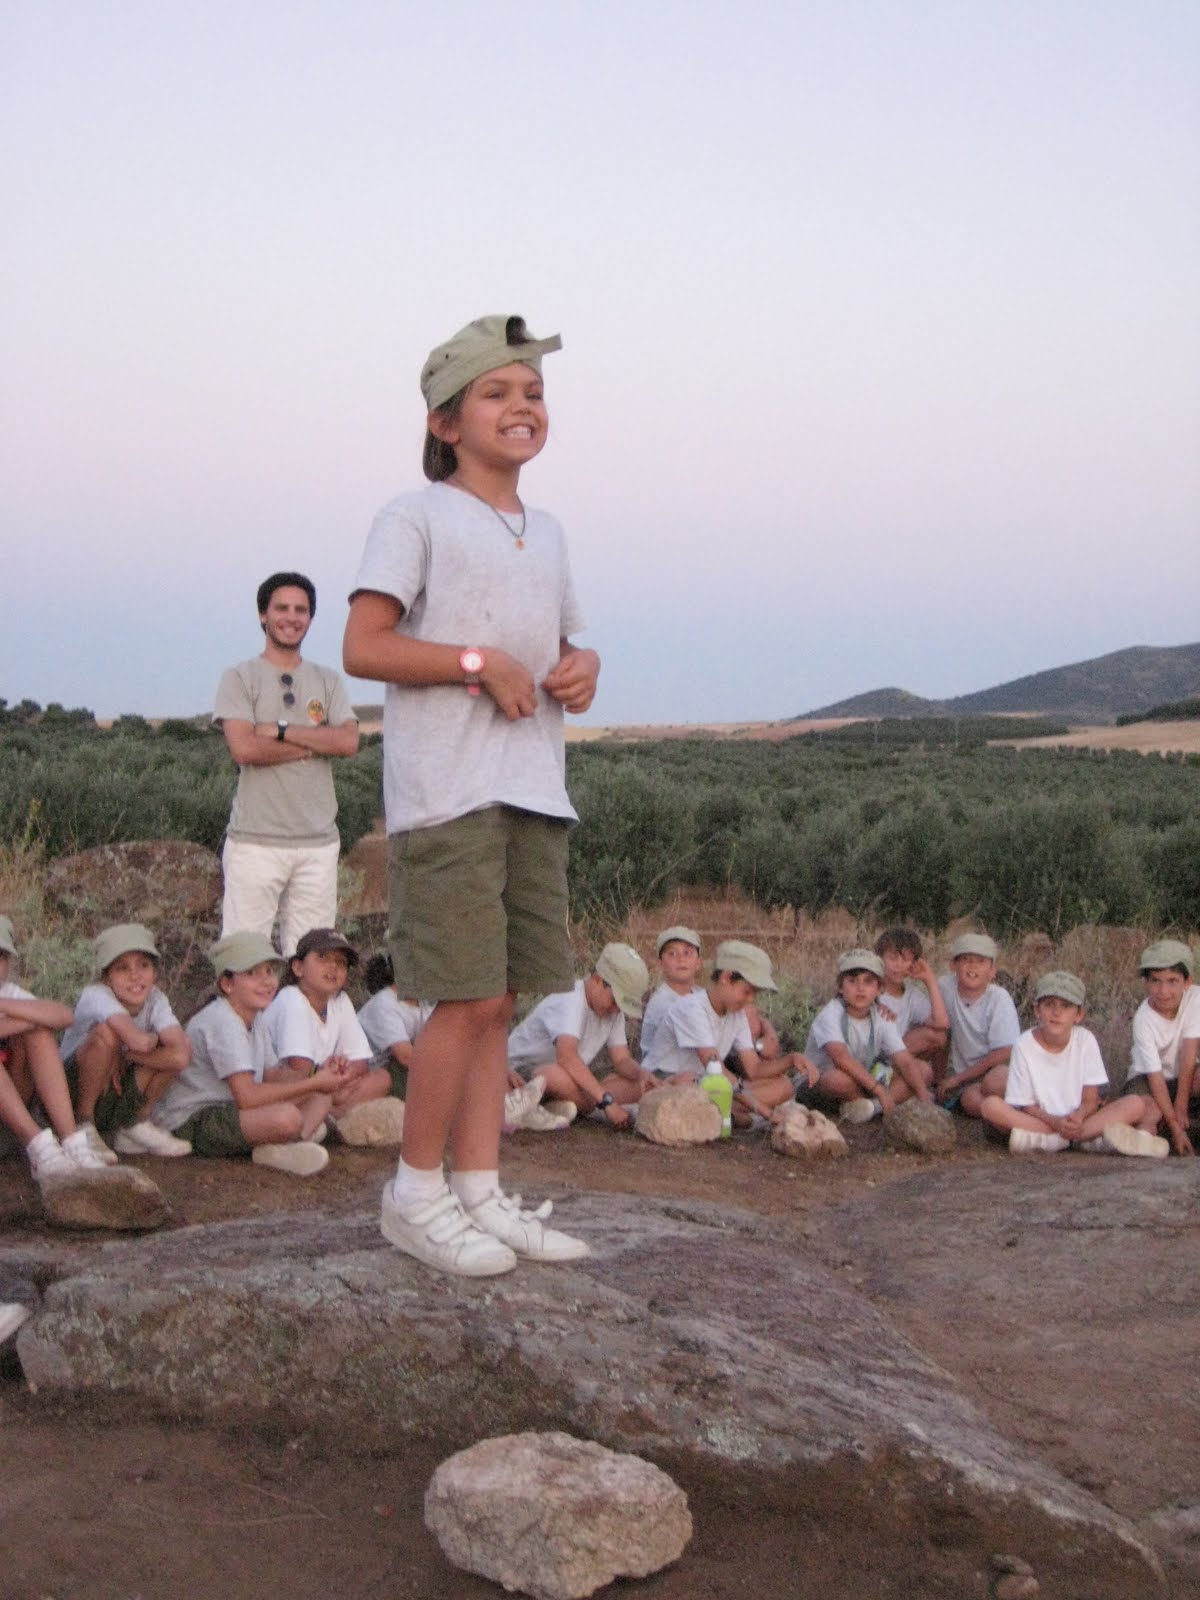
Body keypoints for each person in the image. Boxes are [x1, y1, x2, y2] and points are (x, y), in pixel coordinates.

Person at [343, 312, 599, 1275]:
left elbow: (564, 646)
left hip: (533, 788)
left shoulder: (551, 531)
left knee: (501, 1001)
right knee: (464, 997)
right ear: (447, 422)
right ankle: (414, 1196)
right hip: (447, 794)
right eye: (497, 392)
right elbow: (363, 646)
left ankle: (480, 1191)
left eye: (533, 391)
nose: (522, 405)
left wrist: (583, 668)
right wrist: (474, 662)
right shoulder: (413, 517)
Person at [215, 571, 360, 956]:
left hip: (318, 844)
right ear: (263, 615)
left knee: (312, 961)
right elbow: (245, 749)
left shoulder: (328, 680)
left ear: (310, 618)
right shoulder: (239, 677)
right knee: (244, 957)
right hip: (255, 843)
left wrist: (279, 730)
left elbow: (347, 741)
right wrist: (316, 742)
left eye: (301, 610)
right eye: (282, 608)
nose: (291, 617)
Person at [154, 931, 343, 1175]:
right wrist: (313, 1083)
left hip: (235, 1111)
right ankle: (285, 1141)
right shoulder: (223, 1021)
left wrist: (321, 1075)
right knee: (287, 1118)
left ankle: (279, 1146)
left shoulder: (255, 1015)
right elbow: (248, 1097)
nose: (267, 981)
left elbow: (274, 1074)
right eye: (252, 973)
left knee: (322, 1096)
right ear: (227, 984)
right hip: (195, 1119)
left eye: (269, 971)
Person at [980, 970, 1165, 1157]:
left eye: (1066, 1006)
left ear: (1079, 1014)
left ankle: (1057, 1140)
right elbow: (1027, 1106)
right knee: (990, 1106)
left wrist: (1079, 1116)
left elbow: (1090, 1100)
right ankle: (1080, 1140)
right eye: (1049, 1005)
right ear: (1037, 1010)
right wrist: (1056, 1123)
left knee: (1135, 1104)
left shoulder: (1085, 1040)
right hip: (1042, 1120)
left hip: (1081, 1121)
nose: (1057, 1012)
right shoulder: (1023, 1044)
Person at [61, 924, 193, 1157]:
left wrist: (124, 1055)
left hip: (114, 1089)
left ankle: (134, 1124)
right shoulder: (96, 995)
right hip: (72, 1091)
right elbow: (137, 1041)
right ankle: (83, 1123)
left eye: (144, 965)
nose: (135, 975)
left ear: (155, 973)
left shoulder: (156, 999)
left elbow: (180, 1052)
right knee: (106, 1034)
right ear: (106, 978)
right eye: (122, 968)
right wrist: (139, 1046)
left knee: (182, 1046)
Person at [642, 939, 813, 1117]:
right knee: (692, 1081)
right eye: (747, 991)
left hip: (707, 1083)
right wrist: (766, 1113)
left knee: (783, 1085)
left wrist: (791, 1060)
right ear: (726, 977)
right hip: (667, 1082)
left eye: (754, 994)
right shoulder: (692, 1009)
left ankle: (726, 1109)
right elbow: (716, 1069)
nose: (750, 1000)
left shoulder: (736, 1013)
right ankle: (726, 1110)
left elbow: (753, 1069)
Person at [0, 914, 110, 1184]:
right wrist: (27, 1020)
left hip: (9, 1121)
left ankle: (71, 1141)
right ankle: (38, 1146)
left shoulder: (8, 993)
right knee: (35, 1023)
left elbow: (64, 1016)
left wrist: (6, 1007)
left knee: (38, 1032)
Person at [263, 927, 400, 1143]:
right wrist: (330, 1080)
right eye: (323, 958)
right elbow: (300, 1068)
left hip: (326, 1083)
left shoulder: (340, 1001)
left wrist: (338, 1075)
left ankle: (324, 1116)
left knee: (381, 1079)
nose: (333, 967)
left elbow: (361, 1063)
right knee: (319, 1093)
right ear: (298, 967)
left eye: (341, 962)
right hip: (291, 1087)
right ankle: (325, 1117)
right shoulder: (291, 1000)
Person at [507, 943, 649, 1122]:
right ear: (597, 980)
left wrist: (641, 1074)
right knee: (552, 1075)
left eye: (621, 1006)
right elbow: (567, 1057)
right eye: (615, 1001)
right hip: (522, 1074)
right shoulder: (571, 999)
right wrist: (606, 1102)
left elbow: (621, 1060)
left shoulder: (613, 1012)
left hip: (568, 1080)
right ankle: (589, 1107)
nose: (616, 1010)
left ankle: (561, 1106)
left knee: (639, 1086)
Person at [804, 948, 934, 1123]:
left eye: (868, 982)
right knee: (837, 1079)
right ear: (840, 987)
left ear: (879, 988)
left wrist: (923, 1096)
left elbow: (903, 1059)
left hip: (865, 1079)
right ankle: (870, 1104)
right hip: (821, 1082)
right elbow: (841, 1059)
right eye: (852, 981)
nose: (860, 988)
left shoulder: (881, 1016)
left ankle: (870, 1108)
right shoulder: (831, 1014)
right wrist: (880, 1091)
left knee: (922, 1071)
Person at [1123, 939, 1200, 1156]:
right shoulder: (1143, 1020)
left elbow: (1189, 1054)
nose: (1163, 991)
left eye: (1172, 981)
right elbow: (1155, 1076)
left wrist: (1181, 1107)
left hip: (1184, 1077)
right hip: (1148, 1079)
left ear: (1187, 982)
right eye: (1155, 981)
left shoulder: (1195, 999)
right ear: (1146, 982)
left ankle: (1176, 1128)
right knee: (1149, 1108)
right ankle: (1146, 1137)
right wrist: (1175, 1125)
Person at [933, 932, 1019, 1118]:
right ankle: (1011, 1121)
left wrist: (957, 1079)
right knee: (970, 1101)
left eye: (981, 961)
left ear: (992, 971)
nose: (973, 966)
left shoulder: (999, 998)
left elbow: (1004, 1052)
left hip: (996, 1069)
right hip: (969, 1079)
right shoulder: (944, 987)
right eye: (966, 959)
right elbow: (935, 1026)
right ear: (953, 965)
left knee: (995, 1083)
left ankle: (1026, 1116)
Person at [873, 927, 950, 1061]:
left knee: (939, 1036)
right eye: (893, 958)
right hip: (869, 1053)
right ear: (880, 959)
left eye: (906, 959)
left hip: (894, 1056)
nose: (899, 965)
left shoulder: (911, 995)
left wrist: (929, 980)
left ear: (914, 962)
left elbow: (942, 1023)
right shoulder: (869, 989)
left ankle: (892, 1068)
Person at [638, 926, 703, 1059]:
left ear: (698, 963)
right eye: (672, 954)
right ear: (660, 963)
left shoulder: (700, 994)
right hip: (663, 1069)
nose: (681, 959)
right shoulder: (661, 1002)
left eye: (687, 953)